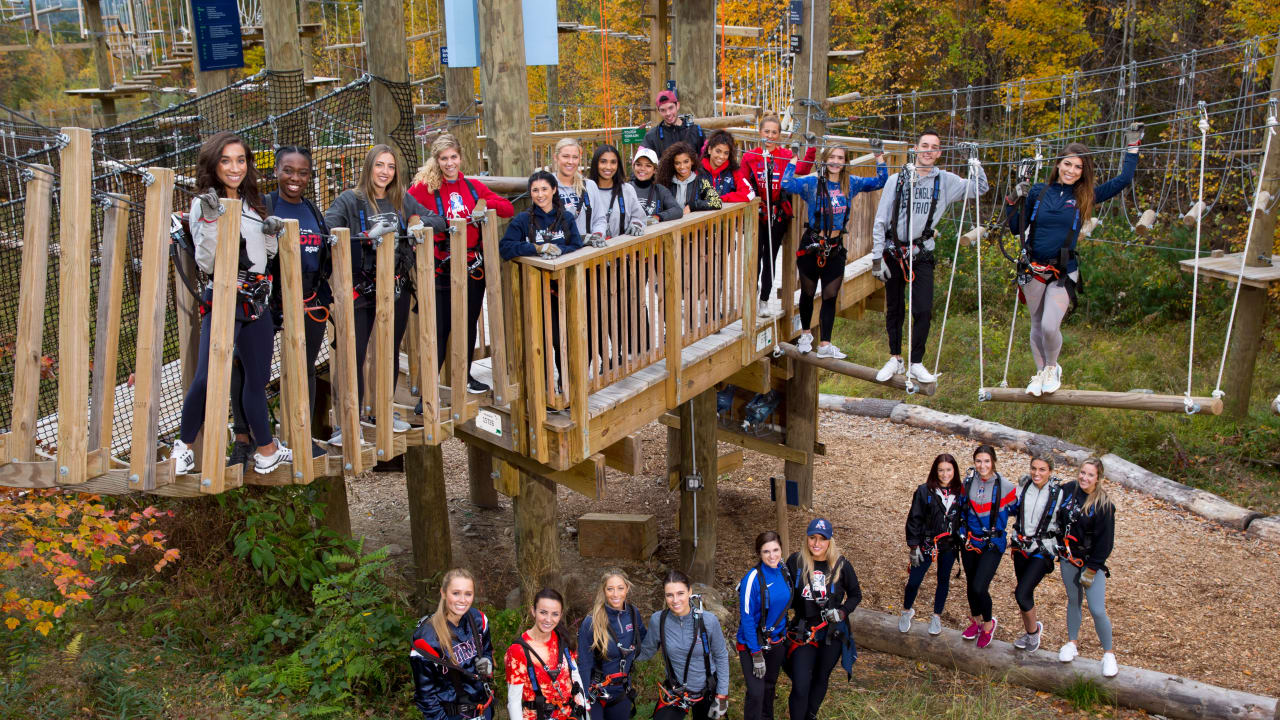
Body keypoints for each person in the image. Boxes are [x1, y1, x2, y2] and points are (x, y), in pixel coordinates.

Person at [171, 131, 292, 476]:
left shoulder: (252, 203)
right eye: (226, 160)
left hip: (257, 300)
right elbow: (207, 261)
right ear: (214, 164)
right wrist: (210, 221)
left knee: (256, 379)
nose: (234, 167)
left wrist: (270, 234)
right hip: (225, 295)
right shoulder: (204, 203)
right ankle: (184, 447)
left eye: (240, 160)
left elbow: (263, 258)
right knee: (208, 377)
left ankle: (267, 449)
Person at [1005, 126, 1143, 396]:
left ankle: (1052, 367)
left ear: (1084, 171)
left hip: (1062, 272)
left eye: (1078, 167)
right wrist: (1013, 199)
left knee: (1048, 325)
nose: (1071, 170)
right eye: (1067, 164)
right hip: (1033, 269)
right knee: (1035, 325)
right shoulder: (1038, 192)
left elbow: (1124, 179)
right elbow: (1014, 228)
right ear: (1058, 164)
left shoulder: (1085, 196)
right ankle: (1040, 371)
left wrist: (1132, 146)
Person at [324, 144, 445, 445]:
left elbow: (439, 220)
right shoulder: (350, 201)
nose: (385, 172)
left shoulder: (401, 200)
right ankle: (347, 421)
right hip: (361, 289)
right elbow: (327, 228)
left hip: (396, 287)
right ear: (369, 168)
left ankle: (383, 410)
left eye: (390, 167)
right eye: (380, 165)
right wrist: (363, 238)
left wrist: (418, 222)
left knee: (389, 349)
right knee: (354, 352)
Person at [227, 145, 330, 467]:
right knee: (247, 367)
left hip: (308, 298)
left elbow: (322, 255)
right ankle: (246, 439)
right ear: (276, 171)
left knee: (305, 367)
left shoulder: (313, 211)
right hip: (267, 298)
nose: (294, 178)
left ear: (309, 176)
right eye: (288, 170)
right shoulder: (261, 206)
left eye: (302, 172)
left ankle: (301, 435)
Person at [872, 130, 989, 385]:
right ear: (915, 148)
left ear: (939, 153)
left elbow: (980, 188)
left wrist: (974, 162)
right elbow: (881, 220)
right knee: (895, 308)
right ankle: (895, 358)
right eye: (924, 146)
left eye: (934, 147)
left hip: (922, 252)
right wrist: (876, 259)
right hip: (894, 251)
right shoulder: (897, 180)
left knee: (923, 310)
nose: (928, 151)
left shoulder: (945, 181)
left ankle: (916, 362)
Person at [409, 133, 515, 398]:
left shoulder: (472, 187)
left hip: (471, 266)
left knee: (467, 324)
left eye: (453, 157)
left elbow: (506, 209)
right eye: (444, 158)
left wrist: (482, 205)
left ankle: (464, 375)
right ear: (437, 160)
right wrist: (417, 226)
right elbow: (405, 207)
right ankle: (428, 389)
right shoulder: (426, 188)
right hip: (441, 268)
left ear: (460, 157)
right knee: (441, 327)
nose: (449, 163)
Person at [782, 140, 887, 357]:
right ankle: (805, 334)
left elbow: (880, 181)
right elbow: (786, 184)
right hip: (812, 245)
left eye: (840, 158)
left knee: (830, 295)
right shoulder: (812, 182)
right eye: (832, 157)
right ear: (824, 160)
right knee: (808, 293)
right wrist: (794, 157)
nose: (835, 162)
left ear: (845, 162)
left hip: (835, 249)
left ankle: (825, 344)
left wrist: (879, 156)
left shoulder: (851, 183)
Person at [499, 171, 583, 389]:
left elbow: (576, 245)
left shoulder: (566, 218)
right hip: (534, 291)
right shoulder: (523, 220)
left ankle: (566, 385)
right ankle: (544, 389)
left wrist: (559, 251)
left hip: (563, 289)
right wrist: (535, 248)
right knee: (541, 341)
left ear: (554, 190)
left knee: (562, 340)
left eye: (544, 189)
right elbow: (505, 247)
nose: (540, 194)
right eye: (535, 190)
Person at [785, 518, 861, 720]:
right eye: (812, 538)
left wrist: (843, 611)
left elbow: (855, 594)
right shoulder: (796, 562)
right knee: (801, 684)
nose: (816, 544)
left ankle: (810, 715)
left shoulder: (841, 565)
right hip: (804, 631)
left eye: (822, 539)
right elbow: (784, 593)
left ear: (830, 541)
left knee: (820, 677)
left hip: (832, 632)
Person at [741, 115, 815, 306]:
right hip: (756, 212)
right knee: (754, 256)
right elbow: (742, 180)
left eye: (774, 132)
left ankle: (764, 298)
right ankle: (752, 292)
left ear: (780, 135)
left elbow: (804, 169)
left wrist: (811, 148)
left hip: (777, 214)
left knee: (770, 257)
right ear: (760, 133)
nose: (770, 136)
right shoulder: (750, 156)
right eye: (767, 131)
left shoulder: (785, 155)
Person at [636, 570, 730, 720]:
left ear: (690, 592)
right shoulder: (658, 621)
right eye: (669, 595)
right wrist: (617, 654)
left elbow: (721, 656)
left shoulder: (708, 621)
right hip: (676, 691)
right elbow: (646, 651)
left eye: (680, 593)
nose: (675, 600)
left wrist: (722, 694)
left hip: (707, 689)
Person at [1055, 458, 1118, 678]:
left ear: (1098, 478)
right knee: (1073, 600)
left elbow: (1105, 543)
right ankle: (1072, 642)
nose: (1084, 478)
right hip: (1067, 557)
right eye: (1082, 473)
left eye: (1090, 475)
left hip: (1091, 562)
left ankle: (1108, 653)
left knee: (1097, 608)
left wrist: (1092, 569)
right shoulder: (1069, 489)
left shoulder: (1104, 505)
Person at [410, 568, 496, 720]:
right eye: (456, 593)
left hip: (483, 707)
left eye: (468, 594)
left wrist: (487, 662)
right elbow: (425, 695)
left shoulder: (479, 620)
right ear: (443, 593)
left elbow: (487, 650)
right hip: (452, 714)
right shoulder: (426, 639)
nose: (462, 600)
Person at [958, 444, 1018, 649]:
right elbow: (962, 509)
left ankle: (988, 623)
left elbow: (1019, 510)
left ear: (993, 462)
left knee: (979, 586)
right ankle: (975, 621)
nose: (982, 465)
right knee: (970, 584)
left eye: (986, 461)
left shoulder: (1006, 486)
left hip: (993, 542)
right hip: (969, 540)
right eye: (978, 461)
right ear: (974, 462)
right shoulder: (967, 482)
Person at [899, 453, 965, 636]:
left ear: (955, 471)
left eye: (949, 470)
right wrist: (913, 546)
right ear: (935, 471)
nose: (945, 474)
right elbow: (914, 519)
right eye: (941, 470)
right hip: (926, 544)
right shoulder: (924, 491)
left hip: (949, 545)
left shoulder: (960, 492)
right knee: (914, 581)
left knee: (943, 580)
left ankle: (936, 614)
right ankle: (906, 610)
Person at [1010, 454, 1067, 652]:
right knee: (1025, 593)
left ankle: (1033, 633)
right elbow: (1010, 507)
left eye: (1042, 469)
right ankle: (1030, 631)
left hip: (1043, 549)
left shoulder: (1058, 493)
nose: (1036, 473)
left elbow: (1068, 519)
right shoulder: (1023, 487)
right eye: (1034, 468)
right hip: (1020, 547)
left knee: (1021, 592)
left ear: (1050, 471)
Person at [506, 587, 589, 720]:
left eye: (555, 614)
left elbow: (574, 675)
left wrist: (584, 709)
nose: (548, 619)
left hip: (570, 714)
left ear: (560, 615)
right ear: (533, 611)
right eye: (543, 612)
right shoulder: (518, 650)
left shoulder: (563, 640)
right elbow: (514, 701)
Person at [736, 531, 791, 720]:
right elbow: (747, 618)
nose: (772, 555)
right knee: (756, 692)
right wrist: (755, 652)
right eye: (766, 551)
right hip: (753, 643)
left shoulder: (784, 572)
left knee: (769, 687)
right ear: (759, 553)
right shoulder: (751, 579)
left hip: (776, 642)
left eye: (776, 550)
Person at [577, 570, 647, 720]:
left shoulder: (633, 613)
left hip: (621, 691)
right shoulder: (591, 621)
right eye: (610, 589)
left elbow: (644, 638)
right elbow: (584, 662)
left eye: (620, 588)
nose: (615, 594)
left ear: (627, 588)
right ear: (604, 590)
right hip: (595, 693)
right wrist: (583, 699)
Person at [585, 144, 647, 241]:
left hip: (622, 251)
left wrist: (636, 225)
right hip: (592, 252)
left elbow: (639, 217)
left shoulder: (627, 190)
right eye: (603, 162)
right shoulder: (585, 191)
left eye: (613, 162)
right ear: (595, 164)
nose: (608, 167)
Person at [546, 137, 599, 236]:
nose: (570, 161)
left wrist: (597, 235)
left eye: (575, 157)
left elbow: (599, 219)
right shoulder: (545, 187)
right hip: (559, 249)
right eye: (566, 156)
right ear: (555, 157)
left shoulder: (589, 186)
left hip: (589, 249)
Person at [657, 142, 722, 214]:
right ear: (672, 164)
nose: (682, 167)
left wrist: (692, 205)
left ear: (692, 161)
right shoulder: (665, 181)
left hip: (693, 224)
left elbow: (717, 202)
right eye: (677, 163)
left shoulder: (701, 181)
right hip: (669, 224)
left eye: (686, 162)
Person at [641, 89, 706, 159]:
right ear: (658, 111)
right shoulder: (652, 137)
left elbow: (705, 160)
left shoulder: (696, 132)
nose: (668, 113)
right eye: (663, 110)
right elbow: (642, 162)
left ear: (677, 105)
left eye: (671, 108)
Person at [629, 147, 683, 224]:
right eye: (638, 164)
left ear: (655, 170)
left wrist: (657, 217)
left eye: (648, 166)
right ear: (634, 166)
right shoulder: (625, 189)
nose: (642, 169)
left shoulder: (660, 190)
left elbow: (677, 210)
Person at [698, 130, 754, 203]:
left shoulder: (733, 171)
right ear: (709, 150)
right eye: (718, 151)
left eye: (726, 153)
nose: (721, 156)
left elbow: (750, 193)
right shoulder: (697, 170)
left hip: (726, 213)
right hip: (702, 213)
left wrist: (723, 199)